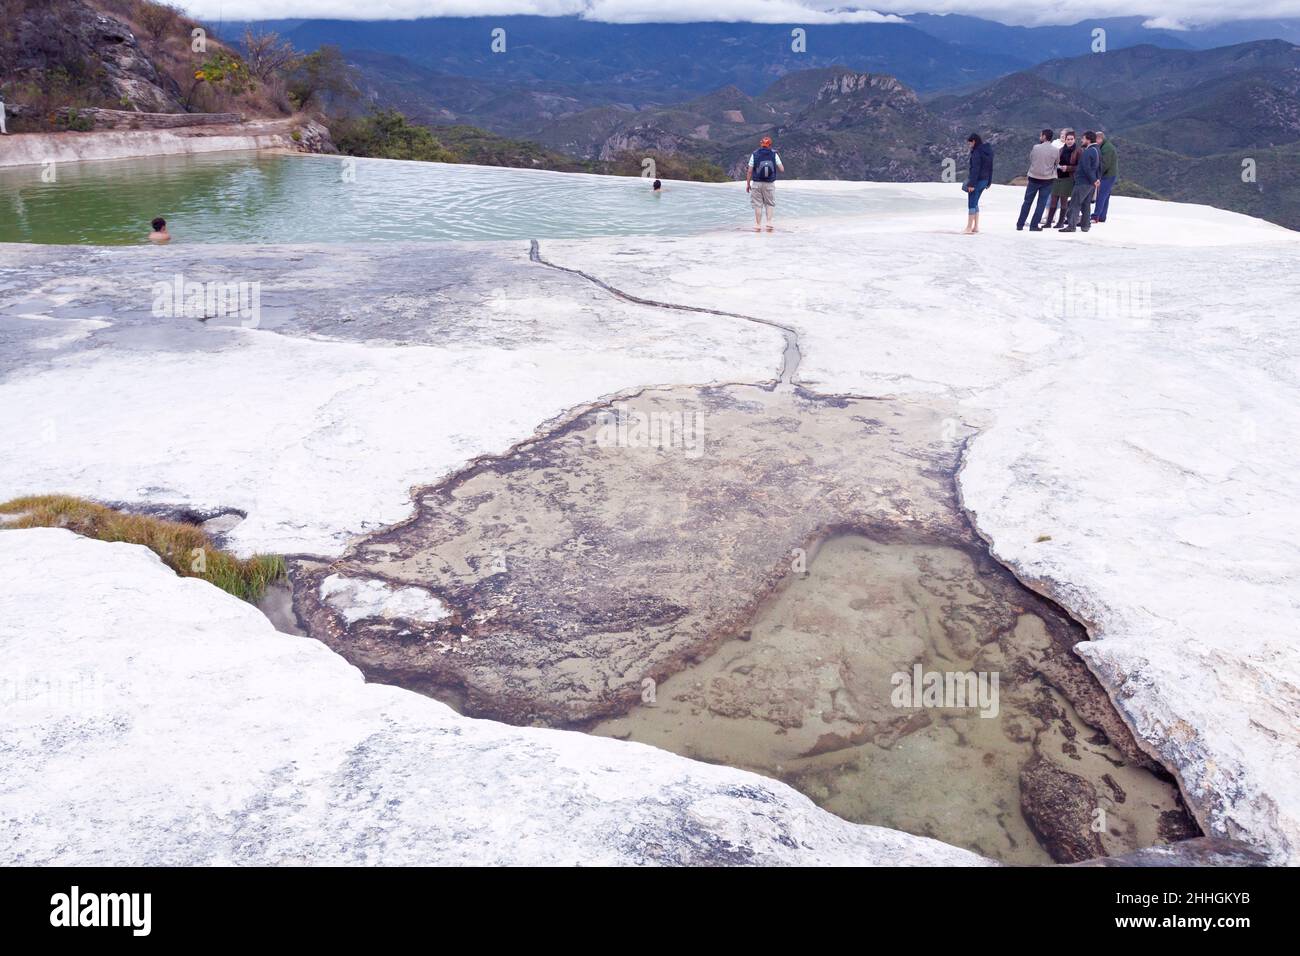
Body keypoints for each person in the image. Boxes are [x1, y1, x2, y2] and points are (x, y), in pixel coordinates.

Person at [1060, 131, 1101, 233]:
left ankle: (1071, 226)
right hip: (1091, 184)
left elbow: (1086, 168)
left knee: (1074, 203)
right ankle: (1085, 226)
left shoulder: (1088, 151)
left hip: (1083, 182)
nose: (1081, 140)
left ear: (1088, 139)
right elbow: (1100, 167)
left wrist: (1094, 179)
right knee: (1086, 204)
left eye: (1083, 139)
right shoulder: (1097, 150)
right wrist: (1097, 179)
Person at [1018, 128, 1057, 232]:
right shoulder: (1055, 150)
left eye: (1041, 135)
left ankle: (1020, 224)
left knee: (1027, 202)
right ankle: (1034, 225)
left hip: (1033, 178)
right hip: (1047, 180)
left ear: (1044, 137)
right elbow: (1056, 163)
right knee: (1041, 203)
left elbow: (1032, 158)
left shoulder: (1035, 147)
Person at [746, 135, 784, 232]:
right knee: (769, 204)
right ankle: (769, 223)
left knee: (758, 204)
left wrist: (748, 184)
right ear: (770, 145)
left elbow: (750, 171)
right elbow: (782, 169)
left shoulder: (754, 154)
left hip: (757, 183)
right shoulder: (774, 154)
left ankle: (758, 225)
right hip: (769, 183)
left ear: (761, 144)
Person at [1042, 129, 1078, 229]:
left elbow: (1079, 166)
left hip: (1068, 178)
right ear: (1065, 140)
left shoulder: (1078, 151)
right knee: (1053, 199)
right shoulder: (1061, 149)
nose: (1069, 141)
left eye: (1071, 139)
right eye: (1068, 139)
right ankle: (1048, 222)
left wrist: (1068, 168)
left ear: (1074, 139)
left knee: (1063, 201)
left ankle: (1060, 222)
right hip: (1057, 177)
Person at [963, 132, 993, 234]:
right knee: (975, 203)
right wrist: (989, 181)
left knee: (971, 203)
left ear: (974, 141)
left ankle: (968, 227)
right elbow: (990, 167)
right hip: (985, 181)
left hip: (977, 181)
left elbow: (975, 169)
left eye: (970, 143)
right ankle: (975, 227)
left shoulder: (976, 152)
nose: (969, 145)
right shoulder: (988, 151)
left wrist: (971, 184)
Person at [1092, 131, 1118, 224]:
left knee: (1101, 195)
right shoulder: (1105, 146)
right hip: (1111, 175)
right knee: (1105, 196)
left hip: (1108, 176)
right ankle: (1102, 216)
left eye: (1095, 140)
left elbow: (1104, 165)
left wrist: (1097, 175)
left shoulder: (1107, 148)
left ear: (1100, 139)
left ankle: (1095, 216)